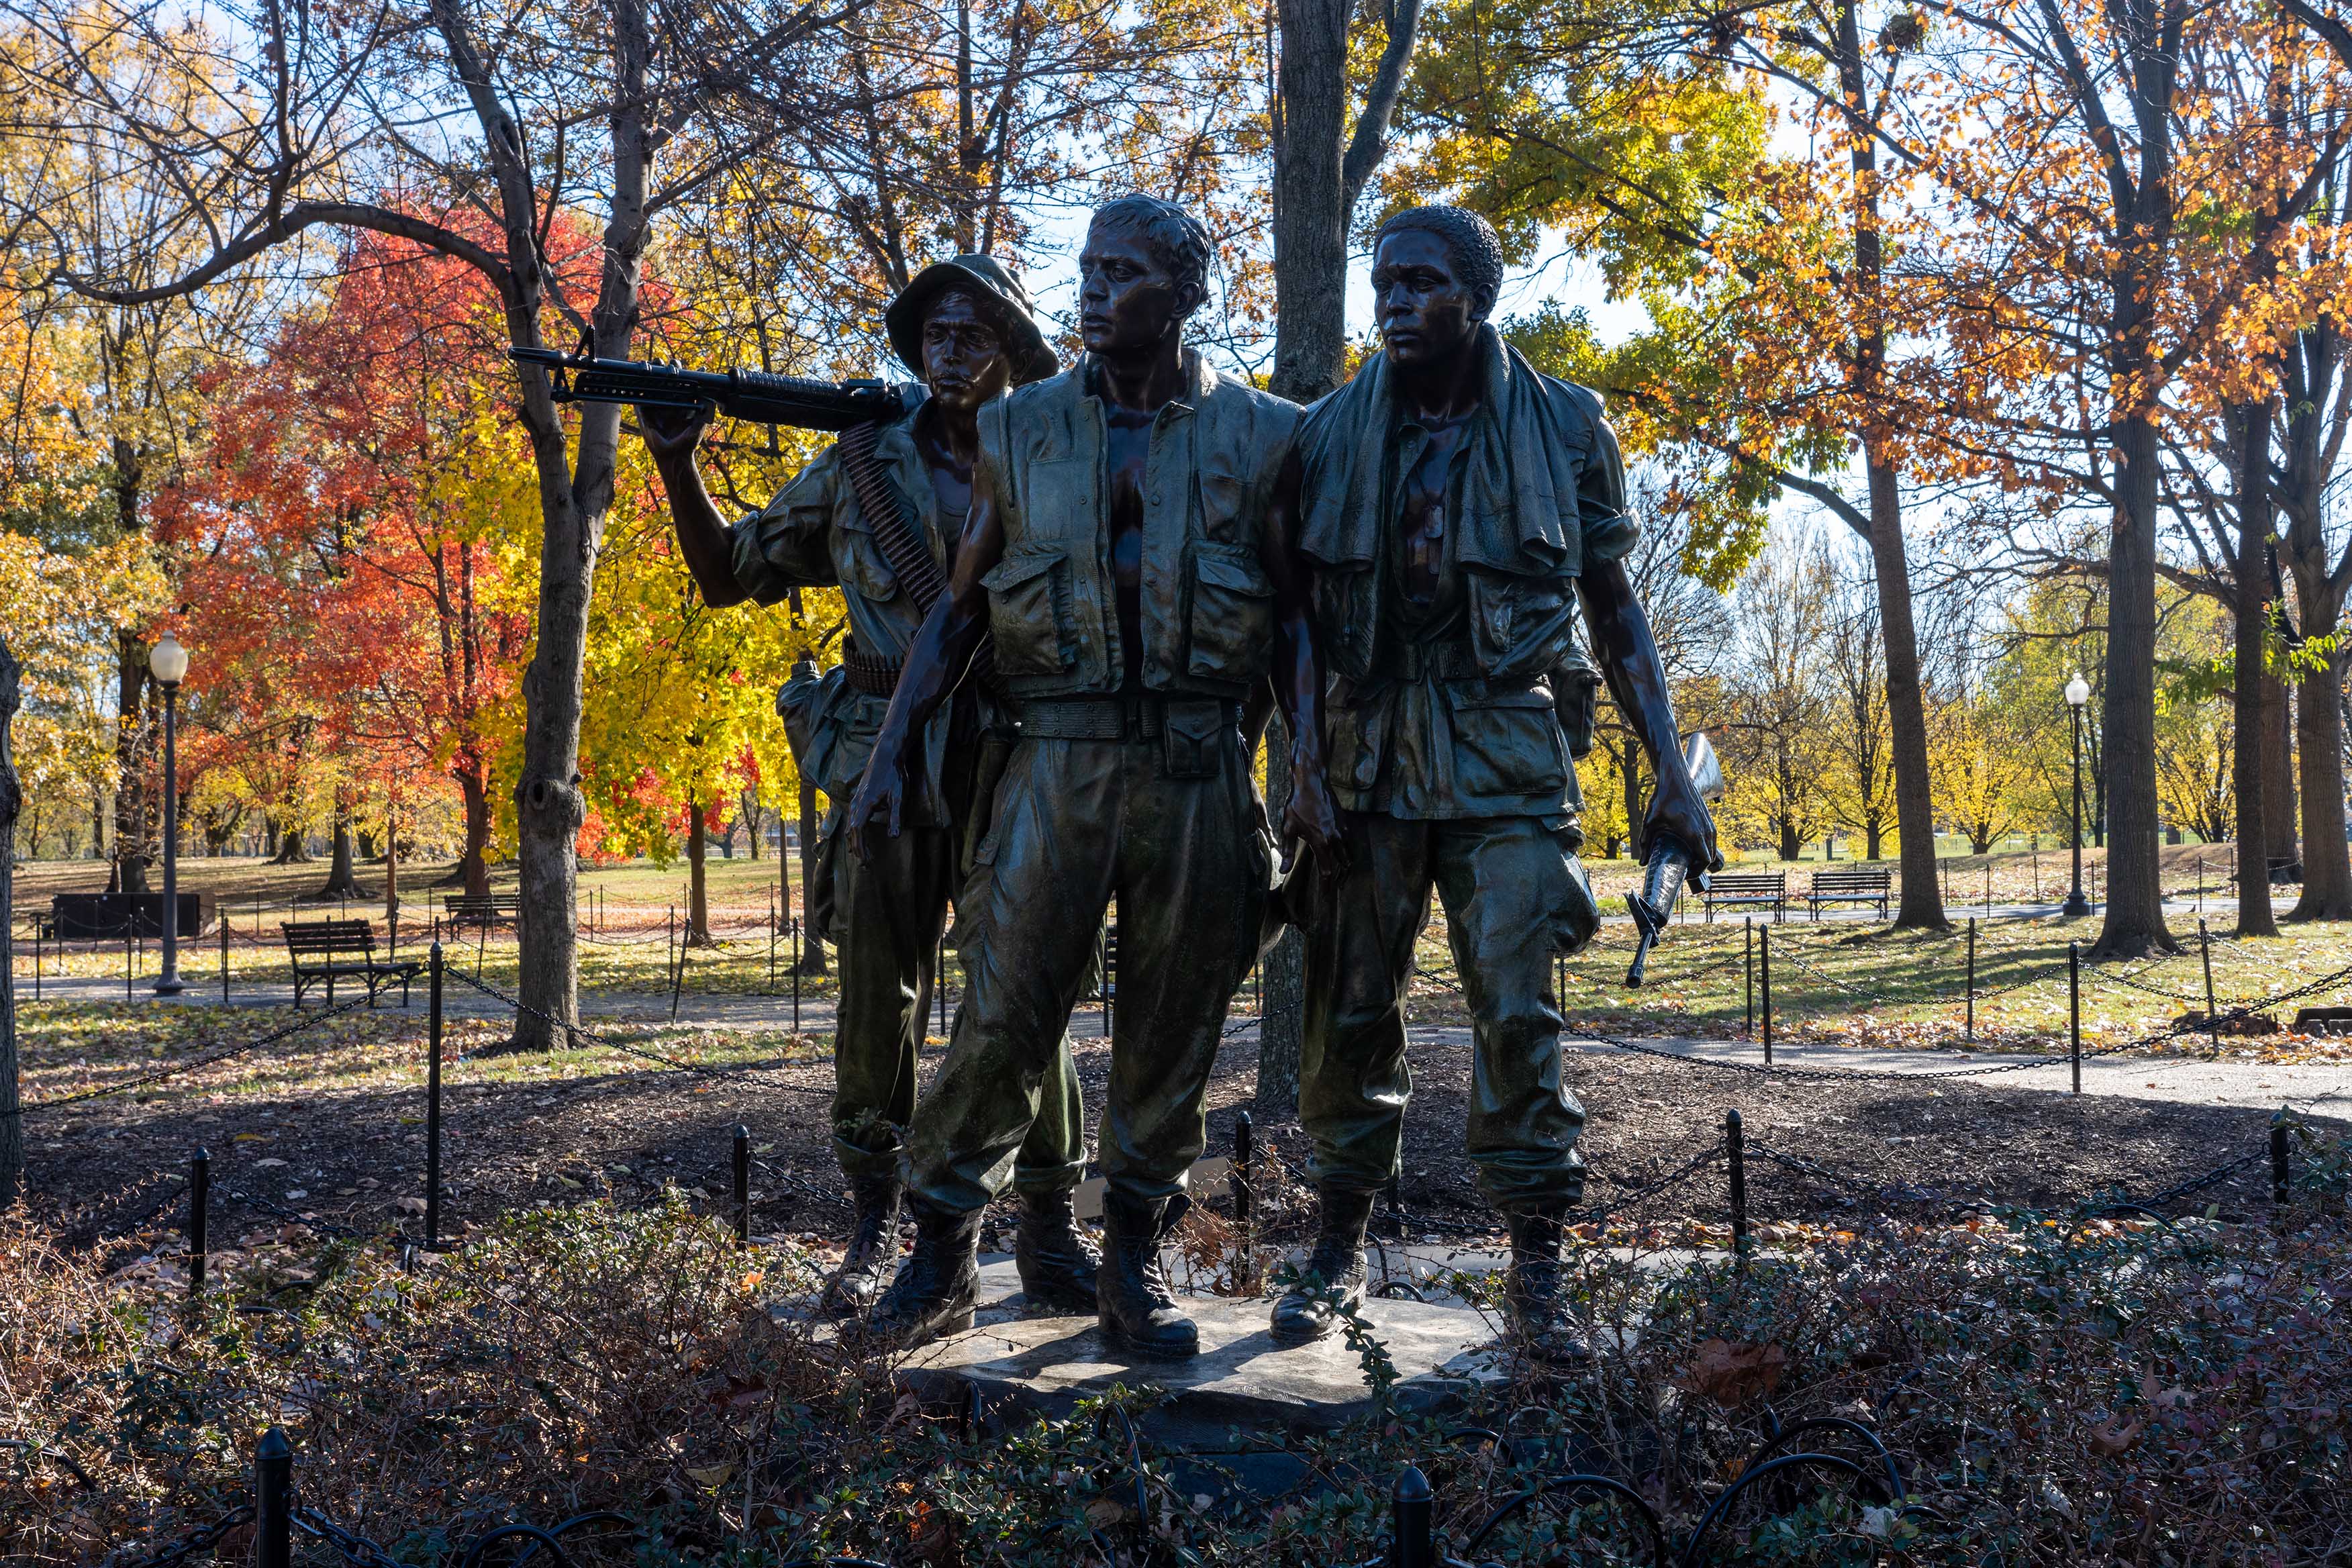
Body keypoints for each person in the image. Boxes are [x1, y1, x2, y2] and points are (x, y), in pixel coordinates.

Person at [847, 195, 1344, 1358]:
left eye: (1121, 271)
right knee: (1003, 1013)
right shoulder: (1017, 427)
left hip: (1198, 762)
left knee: (1174, 1030)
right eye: (1086, 268)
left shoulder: (1267, 434)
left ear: (1187, 292)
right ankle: (940, 1257)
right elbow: (959, 612)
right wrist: (889, 754)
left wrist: (1309, 769)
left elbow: (1296, 621)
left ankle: (1130, 1265)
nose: (1091, 289)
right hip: (1055, 760)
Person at [1273, 205, 1719, 1361]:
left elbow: (1614, 606)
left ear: (1476, 298)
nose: (1393, 302)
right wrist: (1303, 762)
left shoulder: (1567, 424)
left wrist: (1671, 769)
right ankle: (1333, 1250)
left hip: (1506, 747)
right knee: (1348, 1012)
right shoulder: (1324, 434)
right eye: (1383, 282)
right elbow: (1297, 616)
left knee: (1519, 1010)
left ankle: (1537, 1271)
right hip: (1367, 753)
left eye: (1420, 282)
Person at [638, 256, 1099, 1318]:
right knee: (876, 993)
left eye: (973, 331)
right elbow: (726, 575)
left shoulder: (1053, 455)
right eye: (933, 332)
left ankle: (1050, 1220)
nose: (949, 349)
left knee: (1021, 981)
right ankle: (872, 1218)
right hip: (881, 754)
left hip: (1014, 750)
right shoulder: (861, 462)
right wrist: (676, 461)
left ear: (1013, 350)